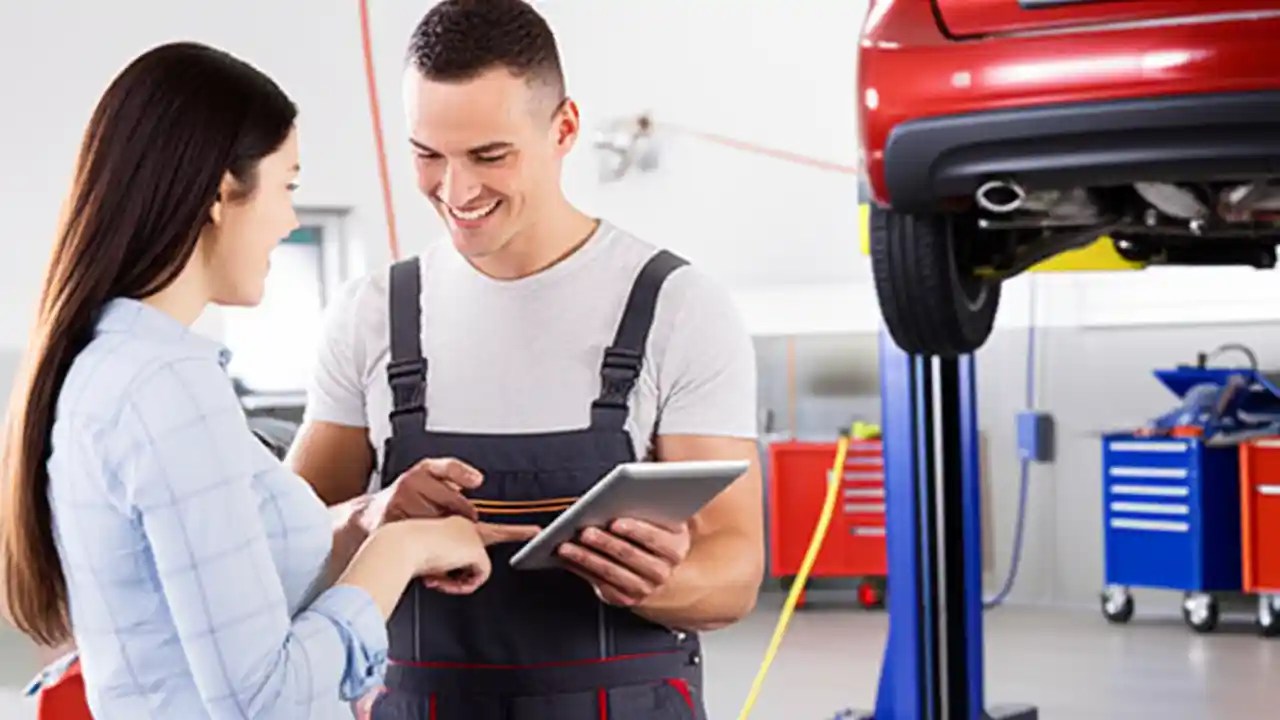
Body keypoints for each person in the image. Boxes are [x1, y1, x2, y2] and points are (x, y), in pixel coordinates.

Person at [0, 41, 536, 720]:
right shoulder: (168, 391)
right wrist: (403, 551)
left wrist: (368, 519)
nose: (287, 220)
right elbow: (264, 696)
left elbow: (227, 578)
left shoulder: (109, 366)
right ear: (223, 193)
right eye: (287, 186)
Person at [287, 1, 766, 718]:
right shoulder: (372, 314)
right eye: (427, 155)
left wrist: (656, 581)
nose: (456, 191)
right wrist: (369, 515)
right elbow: (285, 550)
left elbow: (734, 572)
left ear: (564, 128)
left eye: (489, 155)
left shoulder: (676, 307)